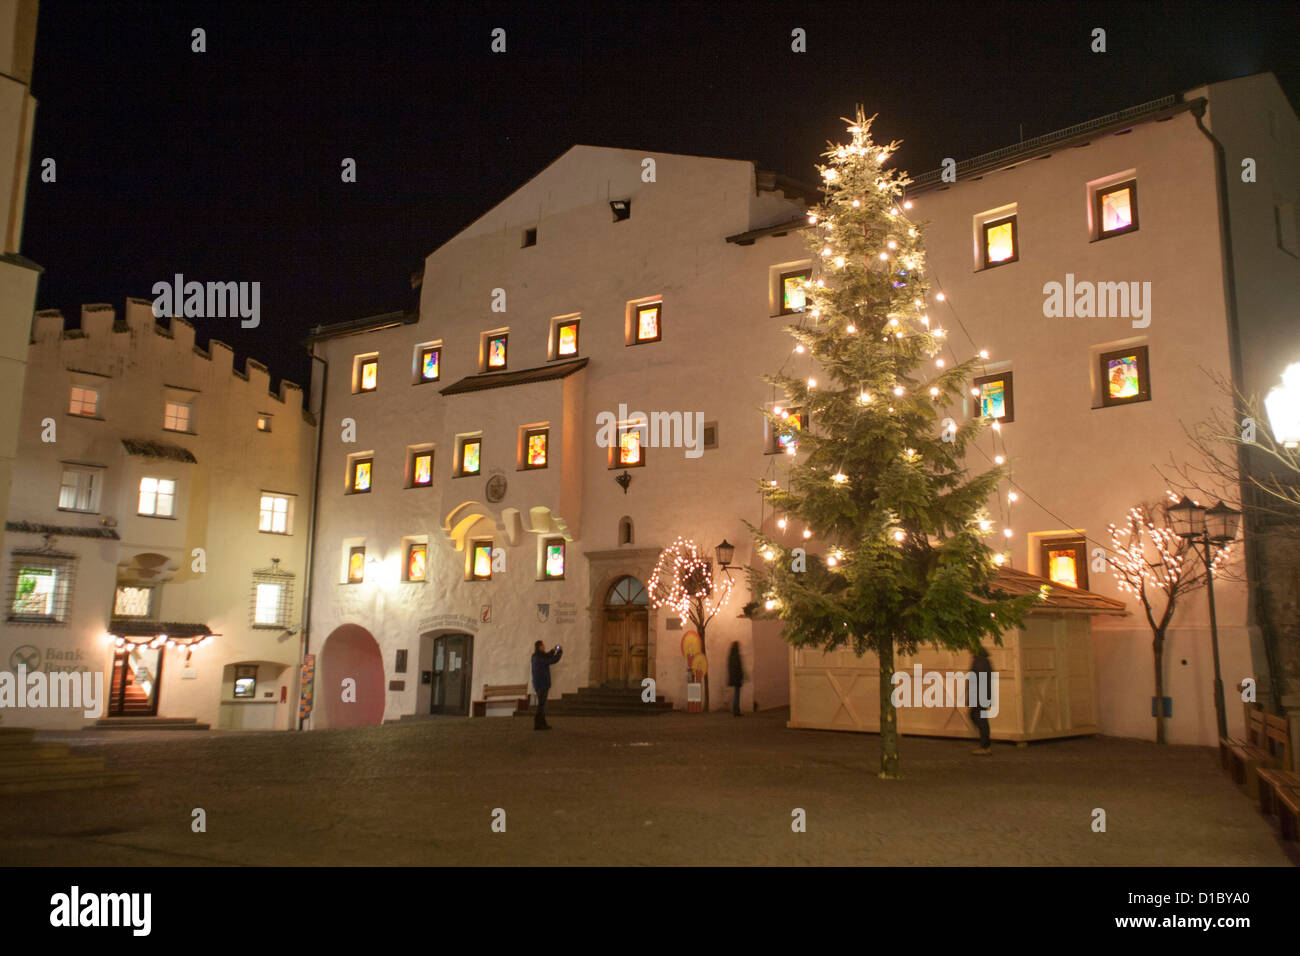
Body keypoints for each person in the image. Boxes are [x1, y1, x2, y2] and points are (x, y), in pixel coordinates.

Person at [531, 640, 562, 730]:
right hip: (542, 684)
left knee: (542, 705)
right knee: (541, 705)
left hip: (541, 683)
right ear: (540, 647)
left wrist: (553, 650)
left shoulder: (537, 656)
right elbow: (551, 660)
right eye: (543, 645)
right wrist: (559, 653)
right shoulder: (538, 657)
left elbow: (547, 656)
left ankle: (542, 723)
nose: (544, 647)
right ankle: (538, 724)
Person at [969, 644, 993, 755]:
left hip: (979, 696)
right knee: (977, 717)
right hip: (981, 695)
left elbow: (976, 679)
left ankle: (985, 746)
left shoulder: (980, 662)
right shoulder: (984, 661)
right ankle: (984, 743)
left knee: (979, 718)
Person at [727, 641, 744, 717]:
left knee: (736, 694)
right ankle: (736, 710)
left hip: (733, 678)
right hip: (737, 678)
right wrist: (741, 676)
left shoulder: (731, 656)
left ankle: (736, 710)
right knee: (737, 695)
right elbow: (739, 667)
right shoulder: (737, 656)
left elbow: (729, 667)